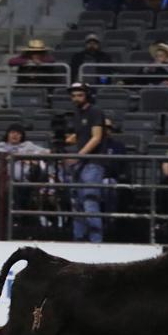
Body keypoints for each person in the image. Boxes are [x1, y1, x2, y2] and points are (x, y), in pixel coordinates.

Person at [60, 82, 108, 243]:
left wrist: (78, 156)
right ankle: (78, 240)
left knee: (90, 202)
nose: (76, 98)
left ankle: (96, 242)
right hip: (82, 163)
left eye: (79, 95)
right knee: (78, 204)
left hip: (93, 162)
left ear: (87, 95)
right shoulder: (77, 113)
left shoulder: (95, 111)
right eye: (73, 96)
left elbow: (96, 137)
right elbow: (81, 135)